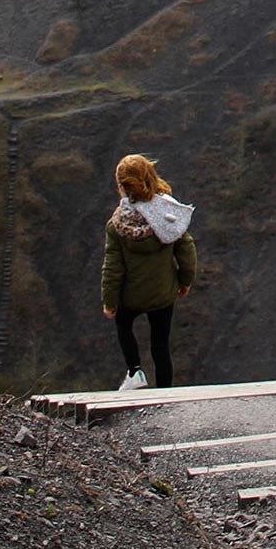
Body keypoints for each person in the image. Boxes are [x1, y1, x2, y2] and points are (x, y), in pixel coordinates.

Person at [101, 153, 198, 390]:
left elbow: (113, 267)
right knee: (160, 345)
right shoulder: (169, 215)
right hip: (163, 293)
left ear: (122, 186)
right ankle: (164, 392)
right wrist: (185, 281)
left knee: (123, 324)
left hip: (131, 296)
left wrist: (110, 301)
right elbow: (186, 250)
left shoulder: (117, 224)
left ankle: (135, 372)